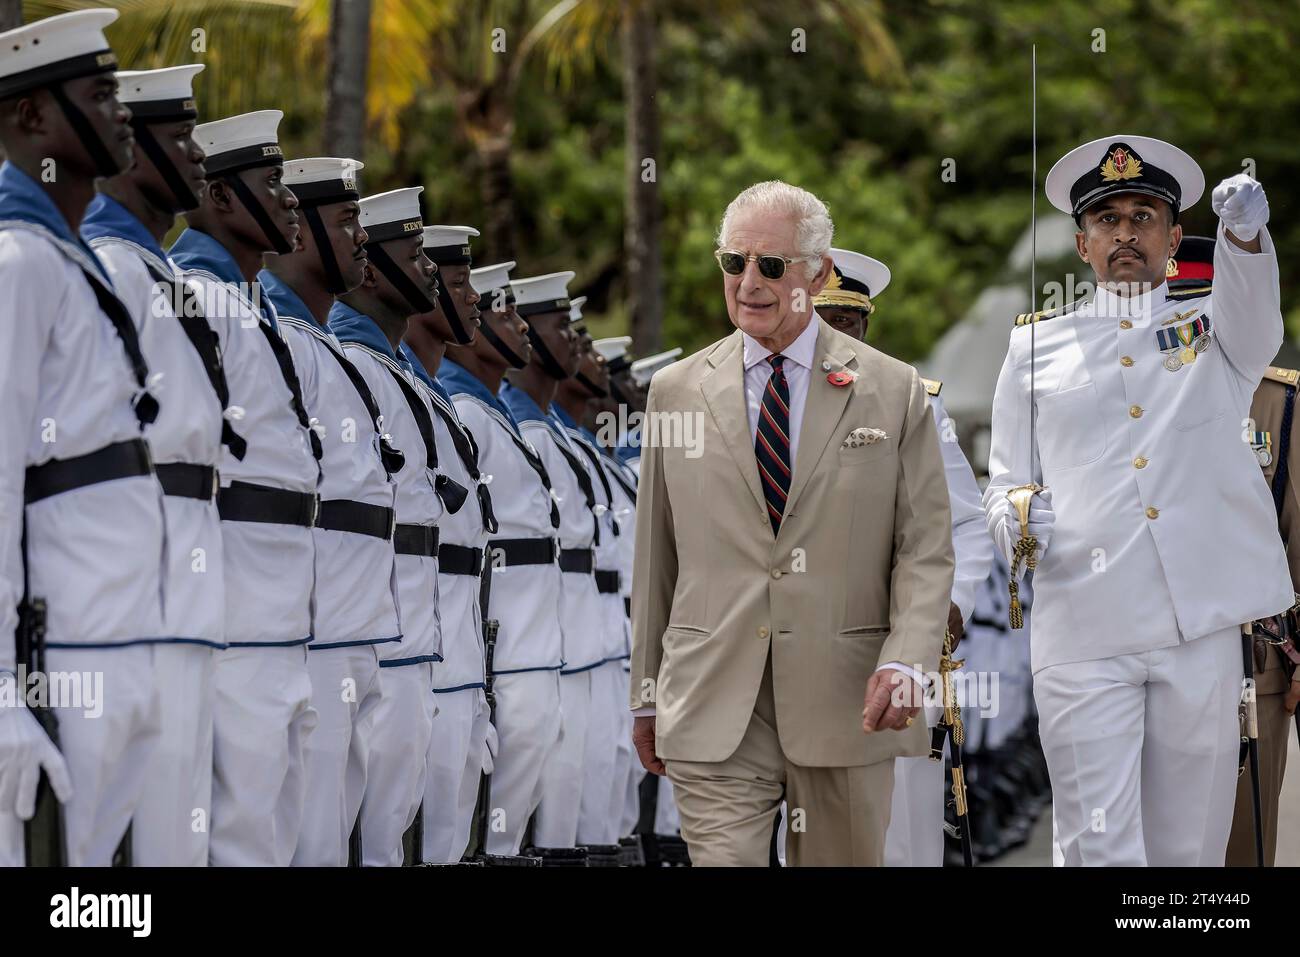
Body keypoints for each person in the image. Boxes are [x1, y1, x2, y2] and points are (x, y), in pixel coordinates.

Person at [984, 136, 1292, 866]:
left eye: (1145, 215)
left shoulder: (1216, 332)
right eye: (1109, 218)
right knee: (1097, 844)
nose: (1127, 232)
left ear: (1173, 237)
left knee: (1189, 845)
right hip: (1084, 627)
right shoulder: (1033, 349)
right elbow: (1003, 482)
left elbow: (1257, 318)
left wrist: (1247, 238)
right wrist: (1015, 520)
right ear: (1083, 242)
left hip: (1197, 629)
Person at [629, 180, 954, 866]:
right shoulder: (675, 391)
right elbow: (656, 555)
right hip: (712, 701)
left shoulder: (892, 390)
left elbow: (925, 548)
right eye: (733, 263)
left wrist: (906, 659)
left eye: (771, 266)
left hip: (846, 700)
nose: (748, 282)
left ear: (817, 271)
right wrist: (645, 693)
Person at [0, 8, 166, 867]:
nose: (121, 112)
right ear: (32, 116)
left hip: (123, 642)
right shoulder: (17, 263)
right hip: (62, 656)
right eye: (100, 94)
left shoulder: (71, 261)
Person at [82, 62, 237, 867]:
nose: (198, 155)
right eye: (180, 138)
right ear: (134, 152)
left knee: (178, 834)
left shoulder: (160, 272)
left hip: (188, 597)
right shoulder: (105, 266)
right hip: (130, 597)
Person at [170, 109, 320, 867]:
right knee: (237, 838)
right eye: (272, 183)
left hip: (283, 620)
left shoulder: (252, 305)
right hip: (232, 617)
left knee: (273, 834)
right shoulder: (190, 295)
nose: (290, 200)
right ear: (223, 200)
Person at [813, 246, 993, 867]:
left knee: (903, 834)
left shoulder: (915, 400)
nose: (838, 341)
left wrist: (947, 610)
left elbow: (966, 522)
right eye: (822, 322)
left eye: (850, 325)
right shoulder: (754, 403)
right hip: (790, 652)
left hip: (894, 652)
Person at [260, 172, 406, 867]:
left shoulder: (323, 347)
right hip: (310, 631)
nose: (361, 245)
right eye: (346, 223)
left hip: (355, 629)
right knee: (306, 837)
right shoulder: (284, 338)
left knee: (338, 831)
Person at [1158, 236, 1300, 868]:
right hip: (1136, 653)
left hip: (1250, 659)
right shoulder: (1116, 391)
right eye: (1174, 313)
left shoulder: (1276, 400)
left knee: (1239, 848)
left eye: (1200, 314)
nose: (1185, 333)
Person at [330, 210, 459, 867]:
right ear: (373, 269)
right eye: (416, 252)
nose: (432, 268)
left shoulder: (398, 375)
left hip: (414, 646)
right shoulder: (345, 362)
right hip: (366, 647)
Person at [439, 259, 566, 857]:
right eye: (503, 310)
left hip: (531, 652)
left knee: (510, 827)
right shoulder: (466, 414)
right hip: (502, 655)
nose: (519, 325)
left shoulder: (490, 416)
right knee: (486, 829)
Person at [399, 226, 500, 865]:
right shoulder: (398, 383)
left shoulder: (444, 402)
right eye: (455, 283)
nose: (472, 301)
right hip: (408, 649)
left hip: (456, 650)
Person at [501, 271, 604, 853]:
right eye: (561, 326)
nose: (576, 342)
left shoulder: (557, 437)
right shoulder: (507, 423)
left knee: (586, 778)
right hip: (524, 646)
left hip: (578, 639)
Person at [553, 310, 631, 850]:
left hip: (605, 631)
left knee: (611, 766)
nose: (595, 358)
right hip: (559, 634)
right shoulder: (541, 435)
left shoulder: (593, 453)